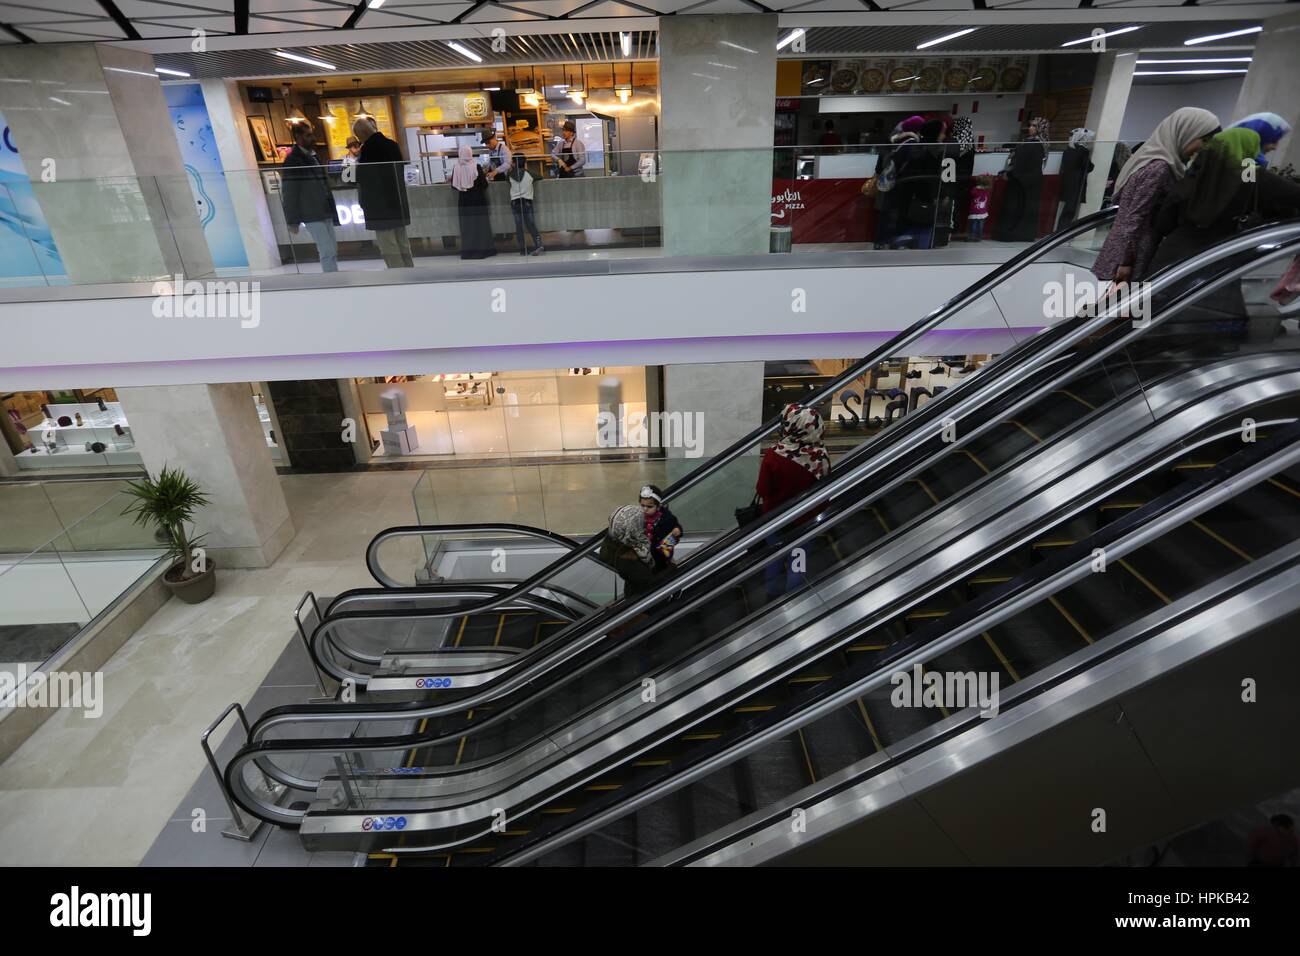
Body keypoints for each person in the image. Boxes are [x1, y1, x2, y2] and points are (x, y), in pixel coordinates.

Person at [1148, 127, 1300, 334]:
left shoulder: (1199, 170)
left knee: (1154, 324)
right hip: (1219, 263)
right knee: (1211, 330)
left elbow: (1163, 222)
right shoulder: (1251, 174)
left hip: (1171, 262)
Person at [1091, 107, 1220, 284]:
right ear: (1185, 132)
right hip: (1133, 252)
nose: (1204, 147)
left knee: (1119, 305)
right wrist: (1126, 261)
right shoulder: (1160, 168)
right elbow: (1135, 217)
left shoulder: (1151, 158)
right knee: (1124, 307)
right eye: (1203, 140)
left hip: (1125, 247)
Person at [755, 404, 831, 597]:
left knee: (774, 558)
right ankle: (795, 599)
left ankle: (771, 594)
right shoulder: (820, 456)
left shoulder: (775, 455)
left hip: (775, 519)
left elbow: (763, 489)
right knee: (799, 561)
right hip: (805, 521)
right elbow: (825, 492)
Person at [353, 117, 412, 268]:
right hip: (397, 202)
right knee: (402, 242)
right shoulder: (393, 145)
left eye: (358, 137)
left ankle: (398, 278)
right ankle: (410, 274)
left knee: (388, 245)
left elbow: (362, 177)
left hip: (379, 206)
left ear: (363, 133)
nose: (359, 140)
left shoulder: (368, 149)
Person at [280, 122, 340, 272]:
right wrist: (292, 220)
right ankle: (331, 282)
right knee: (326, 249)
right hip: (311, 212)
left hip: (324, 209)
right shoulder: (293, 160)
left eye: (312, 134)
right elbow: (289, 192)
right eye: (308, 135)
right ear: (298, 137)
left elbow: (323, 184)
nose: (313, 138)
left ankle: (333, 277)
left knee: (332, 248)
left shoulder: (313, 156)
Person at [890, 118, 947, 249]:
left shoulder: (915, 147)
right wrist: (940, 194)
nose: (944, 135)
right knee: (923, 227)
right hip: (924, 197)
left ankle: (902, 244)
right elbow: (931, 177)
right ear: (935, 133)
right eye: (942, 132)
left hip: (908, 195)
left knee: (910, 224)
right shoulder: (933, 151)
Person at [995, 116, 1049, 243]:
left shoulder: (1037, 145)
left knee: (1018, 207)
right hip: (1020, 180)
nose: (1030, 128)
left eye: (1034, 126)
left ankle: (1015, 234)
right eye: (1030, 125)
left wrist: (1014, 173)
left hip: (1025, 182)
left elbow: (1030, 164)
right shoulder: (1029, 142)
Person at [599, 503, 660, 599]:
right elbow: (651, 585)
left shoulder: (622, 537)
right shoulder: (627, 560)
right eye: (641, 522)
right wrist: (673, 568)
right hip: (646, 602)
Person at [450, 144, 496, 260]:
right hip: (478, 200)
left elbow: (454, 186)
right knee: (480, 226)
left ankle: (468, 252)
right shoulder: (476, 166)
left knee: (467, 227)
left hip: (464, 201)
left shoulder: (456, 167)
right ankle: (483, 251)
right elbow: (484, 185)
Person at [1056, 127, 1095, 230]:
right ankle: (1063, 230)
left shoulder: (1069, 150)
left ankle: (1059, 229)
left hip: (1067, 180)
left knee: (1064, 207)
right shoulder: (1083, 151)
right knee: (1071, 208)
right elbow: (1088, 167)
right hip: (1077, 182)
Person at [638, 484, 683, 572]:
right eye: (642, 505)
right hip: (643, 558)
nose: (645, 509)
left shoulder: (667, 518)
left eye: (649, 506)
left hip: (661, 558)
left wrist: (678, 530)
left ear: (658, 506)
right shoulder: (638, 517)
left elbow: (676, 527)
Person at [507, 156, 544, 256]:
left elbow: (508, 181)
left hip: (515, 203)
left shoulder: (509, 174)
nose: (511, 163)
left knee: (519, 227)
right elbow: (540, 177)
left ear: (515, 163)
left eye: (512, 161)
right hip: (527, 202)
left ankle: (523, 250)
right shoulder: (530, 173)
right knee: (531, 225)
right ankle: (538, 245)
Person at [967, 174, 992, 241]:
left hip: (975, 210)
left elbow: (972, 194)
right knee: (981, 225)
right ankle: (978, 237)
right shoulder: (987, 190)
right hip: (983, 211)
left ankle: (971, 237)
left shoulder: (975, 189)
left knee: (973, 224)